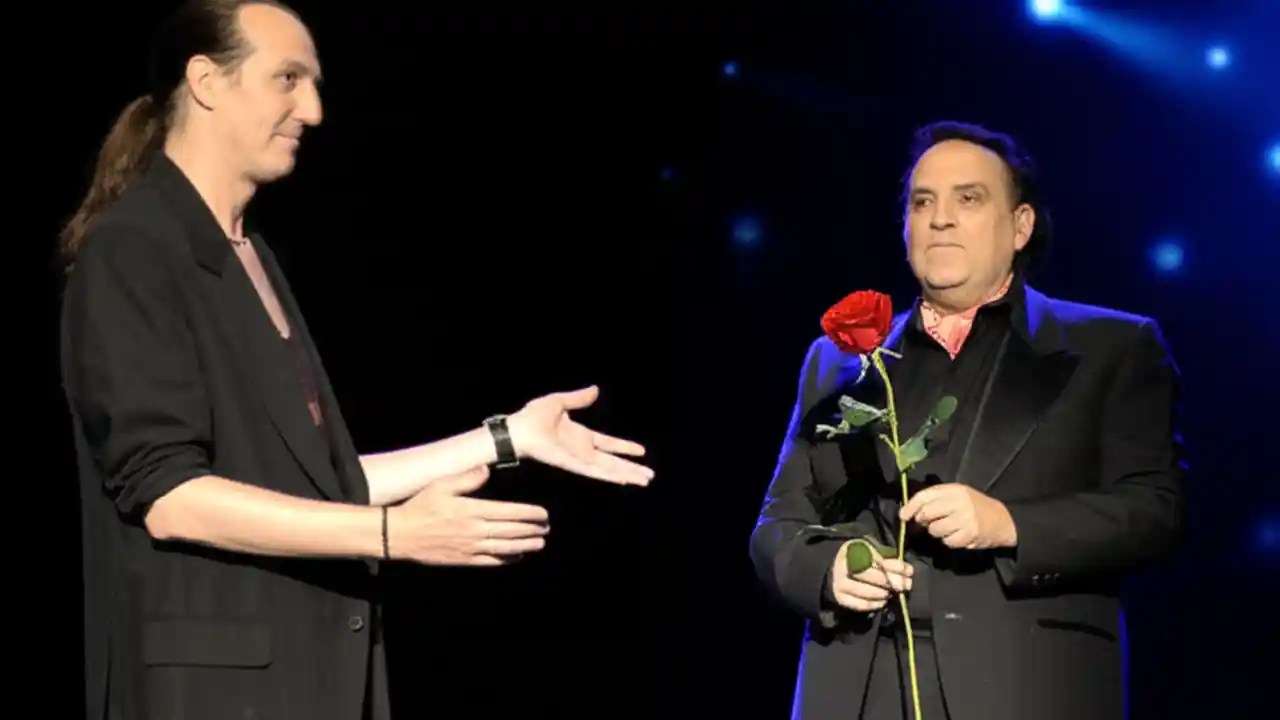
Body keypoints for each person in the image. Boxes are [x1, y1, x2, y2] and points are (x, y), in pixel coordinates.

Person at [57, 2, 654, 719]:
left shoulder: (251, 256)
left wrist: (505, 440)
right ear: (206, 81)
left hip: (308, 680)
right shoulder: (134, 250)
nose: (311, 109)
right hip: (214, 694)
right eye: (287, 79)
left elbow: (317, 479)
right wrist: (393, 534)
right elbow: (171, 499)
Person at [748, 120, 1187, 720]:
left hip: (1028, 686)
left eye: (969, 199)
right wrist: (824, 571)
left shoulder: (1113, 346)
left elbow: (1154, 511)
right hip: (858, 687)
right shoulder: (838, 360)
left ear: (1021, 226)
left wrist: (1009, 524)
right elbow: (777, 524)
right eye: (922, 202)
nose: (941, 218)